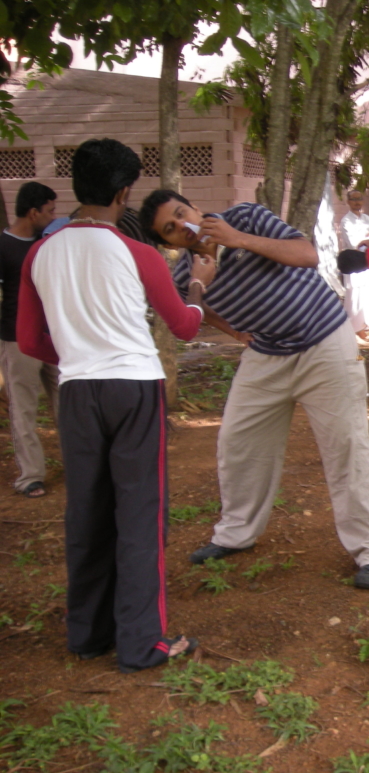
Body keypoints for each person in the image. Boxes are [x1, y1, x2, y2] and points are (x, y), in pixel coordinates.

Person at [17, 139, 215, 672]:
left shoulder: (40, 252)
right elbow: (183, 325)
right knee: (140, 515)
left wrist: (80, 352)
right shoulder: (137, 253)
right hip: (133, 388)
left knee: (86, 511)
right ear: (125, 191)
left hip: (77, 391)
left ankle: (86, 634)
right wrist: (197, 285)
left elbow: (31, 341)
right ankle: (142, 641)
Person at [139, 190, 369, 589]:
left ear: (193, 205)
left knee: (347, 445)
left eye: (180, 213)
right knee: (238, 442)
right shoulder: (184, 275)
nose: (181, 227)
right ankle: (236, 533)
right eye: (169, 229)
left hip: (325, 341)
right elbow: (197, 310)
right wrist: (234, 328)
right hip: (267, 354)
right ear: (167, 243)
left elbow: (307, 254)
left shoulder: (245, 217)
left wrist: (236, 238)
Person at [1, 181, 58, 497]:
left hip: (54, 339)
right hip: (17, 340)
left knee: (68, 403)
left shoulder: (47, 244)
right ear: (33, 212)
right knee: (23, 409)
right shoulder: (3, 246)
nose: (54, 216)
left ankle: (80, 467)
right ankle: (31, 476)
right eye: (49, 211)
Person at [338, 190, 369, 338]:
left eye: (359, 199)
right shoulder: (346, 221)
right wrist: (367, 239)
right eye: (354, 199)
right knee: (355, 294)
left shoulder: (366, 218)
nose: (357, 202)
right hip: (355, 261)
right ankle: (356, 328)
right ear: (348, 201)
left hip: (368, 259)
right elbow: (354, 243)